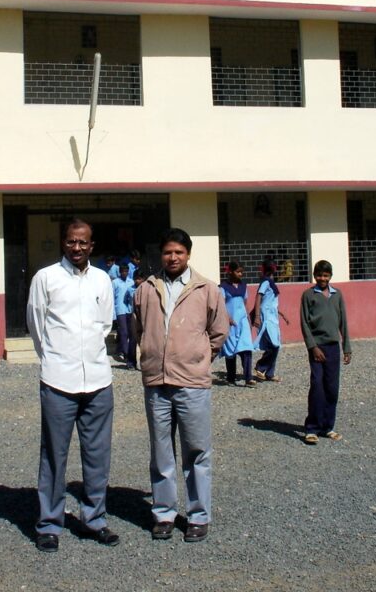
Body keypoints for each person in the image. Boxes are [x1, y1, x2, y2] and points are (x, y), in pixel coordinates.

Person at [27, 219, 118, 553]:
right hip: (58, 380)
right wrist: (55, 357)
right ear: (62, 242)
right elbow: (37, 325)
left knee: (98, 454)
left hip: (97, 380)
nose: (76, 247)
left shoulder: (102, 279)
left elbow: (104, 324)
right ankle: (49, 524)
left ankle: (94, 519)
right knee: (54, 454)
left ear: (92, 245)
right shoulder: (45, 278)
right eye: (71, 241)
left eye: (83, 242)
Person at [133, 228, 228, 543]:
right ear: (160, 254)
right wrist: (151, 354)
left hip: (192, 384)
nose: (173, 257)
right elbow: (139, 328)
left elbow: (218, 331)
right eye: (167, 252)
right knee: (161, 453)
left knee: (196, 451)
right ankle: (164, 514)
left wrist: (199, 358)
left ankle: (198, 516)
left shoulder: (206, 289)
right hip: (156, 383)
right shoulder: (146, 289)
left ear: (188, 254)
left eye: (179, 252)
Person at [299, 260, 351, 444]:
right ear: (314, 275)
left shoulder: (337, 295)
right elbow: (304, 323)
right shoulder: (308, 295)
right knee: (317, 386)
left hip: (333, 347)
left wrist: (346, 347)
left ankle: (328, 426)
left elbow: (343, 321)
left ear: (330, 276)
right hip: (317, 348)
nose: (322, 279)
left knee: (332, 387)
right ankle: (312, 428)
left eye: (326, 275)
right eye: (319, 275)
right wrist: (313, 347)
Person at [219, 261, 255, 387]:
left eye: (241, 272)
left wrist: (248, 319)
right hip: (230, 323)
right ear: (230, 272)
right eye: (238, 271)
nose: (240, 274)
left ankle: (248, 378)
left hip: (242, 322)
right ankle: (231, 377)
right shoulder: (223, 287)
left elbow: (245, 303)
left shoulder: (243, 286)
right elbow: (221, 304)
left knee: (246, 348)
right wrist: (227, 318)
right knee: (231, 350)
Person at [253, 266, 290, 381]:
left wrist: (282, 314)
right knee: (273, 344)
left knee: (276, 345)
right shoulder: (265, 282)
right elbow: (259, 297)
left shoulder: (272, 284)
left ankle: (270, 373)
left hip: (273, 316)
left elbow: (271, 302)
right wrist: (257, 316)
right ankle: (260, 366)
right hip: (266, 317)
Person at [112, 265, 136, 369]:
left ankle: (119, 349)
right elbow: (112, 297)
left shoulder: (131, 282)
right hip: (120, 309)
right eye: (123, 271)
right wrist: (113, 313)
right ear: (120, 272)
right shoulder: (115, 282)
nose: (125, 273)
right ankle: (126, 354)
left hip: (129, 310)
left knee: (130, 333)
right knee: (124, 332)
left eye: (126, 271)